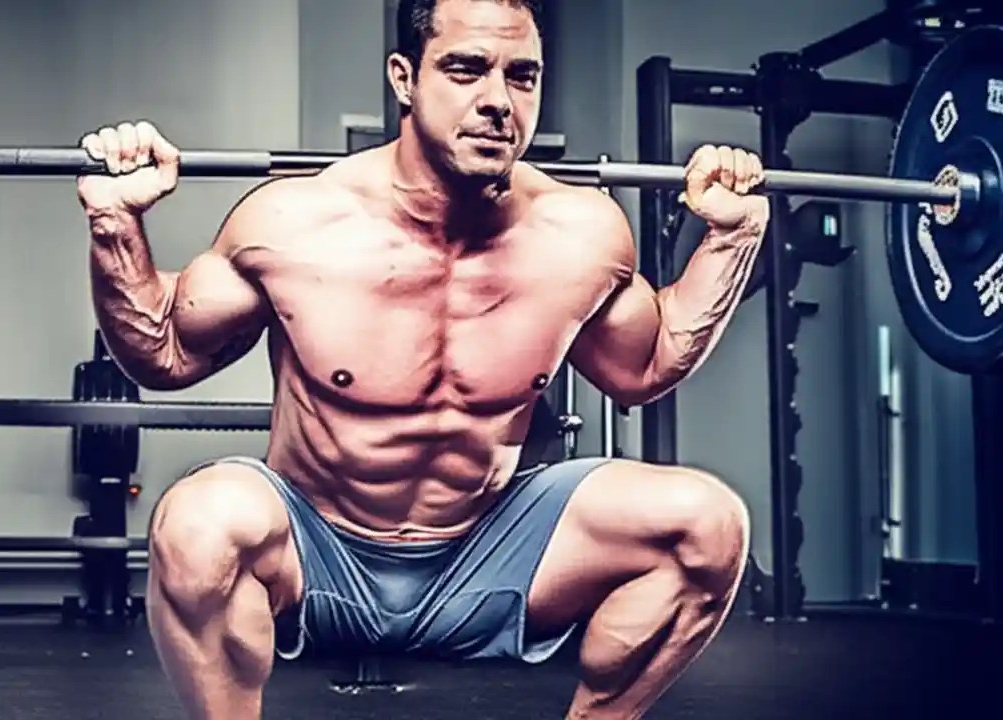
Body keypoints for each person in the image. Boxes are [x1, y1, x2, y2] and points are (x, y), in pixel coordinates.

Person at [77, 0, 768, 717]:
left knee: (710, 524)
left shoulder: (580, 234)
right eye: (465, 69)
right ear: (404, 78)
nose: (498, 102)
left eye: (521, 76)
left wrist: (731, 241)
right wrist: (115, 224)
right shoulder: (296, 224)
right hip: (316, 552)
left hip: (487, 551)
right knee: (196, 521)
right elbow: (163, 353)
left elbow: (644, 369)